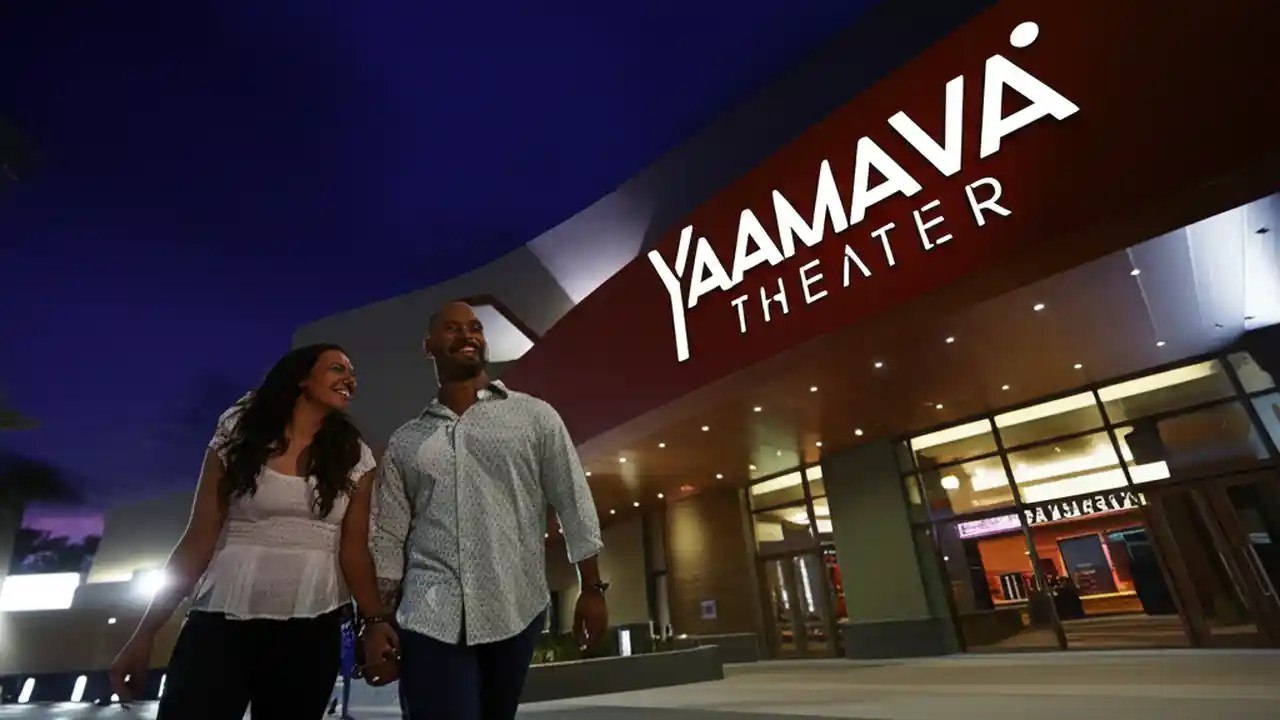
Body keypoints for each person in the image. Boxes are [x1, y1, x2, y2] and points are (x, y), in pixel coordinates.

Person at [339, 301, 608, 720]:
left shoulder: (534, 417)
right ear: (428, 346)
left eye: (475, 327)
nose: (467, 335)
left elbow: (574, 501)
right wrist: (378, 623)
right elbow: (389, 537)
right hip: (429, 616)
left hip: (516, 607)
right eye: (452, 328)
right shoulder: (407, 441)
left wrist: (591, 588)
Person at [109, 344, 376, 719]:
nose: (350, 378)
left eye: (352, 371)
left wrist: (376, 622)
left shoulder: (355, 457)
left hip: (312, 631)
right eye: (337, 368)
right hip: (221, 626)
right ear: (301, 378)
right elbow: (198, 537)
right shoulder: (238, 437)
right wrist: (145, 633)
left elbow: (355, 551)